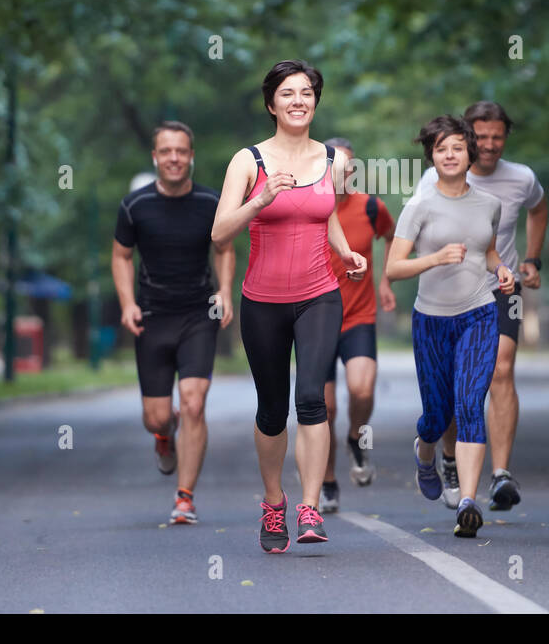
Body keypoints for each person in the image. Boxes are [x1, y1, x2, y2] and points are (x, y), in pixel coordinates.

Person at [211, 61, 367, 553]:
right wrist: (261, 199)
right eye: (287, 93)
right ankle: (274, 501)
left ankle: (310, 506)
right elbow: (219, 234)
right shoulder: (248, 162)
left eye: (306, 93)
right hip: (263, 301)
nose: (298, 101)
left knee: (312, 400)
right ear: (271, 103)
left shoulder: (331, 160)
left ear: (316, 101)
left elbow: (325, 216)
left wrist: (344, 252)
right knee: (273, 410)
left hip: (320, 294)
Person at [386, 116, 515, 538]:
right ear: (432, 156)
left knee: (469, 403)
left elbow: (488, 252)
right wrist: (436, 258)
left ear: (469, 152)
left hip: (479, 314)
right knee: (437, 416)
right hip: (431, 322)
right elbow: (394, 267)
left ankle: (468, 501)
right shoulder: (419, 206)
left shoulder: (489, 205)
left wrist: (503, 271)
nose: (450, 155)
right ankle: (426, 456)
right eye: (441, 148)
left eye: (457, 147)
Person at [415, 102, 546, 510]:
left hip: (499, 288)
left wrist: (531, 259)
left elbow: (539, 210)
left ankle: (500, 474)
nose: (489, 145)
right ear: (468, 138)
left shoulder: (521, 178)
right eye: (482, 136)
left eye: (497, 137)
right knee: (458, 384)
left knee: (501, 368)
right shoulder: (436, 177)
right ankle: (450, 458)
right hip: (450, 294)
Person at [112, 120, 236, 526]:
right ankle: (164, 436)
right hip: (152, 317)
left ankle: (185, 498)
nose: (174, 158)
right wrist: (128, 303)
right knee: (156, 417)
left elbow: (224, 248)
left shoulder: (210, 202)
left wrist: (224, 291)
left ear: (191, 156)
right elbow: (121, 256)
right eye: (166, 151)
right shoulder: (135, 206)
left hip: (197, 314)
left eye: (181, 151)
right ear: (155, 157)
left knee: (194, 404)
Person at [317, 137, 397, 515]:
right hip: (316, 318)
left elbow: (393, 237)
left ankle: (355, 438)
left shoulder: (369, 206)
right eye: (334, 167)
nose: (342, 174)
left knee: (361, 390)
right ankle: (328, 482)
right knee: (325, 408)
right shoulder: (310, 207)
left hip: (359, 315)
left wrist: (385, 280)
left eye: (348, 168)